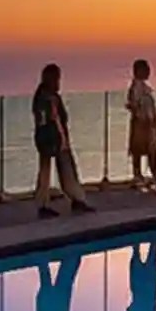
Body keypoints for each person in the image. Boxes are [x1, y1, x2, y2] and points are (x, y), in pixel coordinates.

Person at [33, 64, 96, 219]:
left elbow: (60, 117)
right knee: (47, 171)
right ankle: (44, 204)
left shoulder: (51, 97)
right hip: (49, 138)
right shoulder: (43, 98)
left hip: (58, 137)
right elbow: (43, 120)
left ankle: (75, 198)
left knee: (65, 168)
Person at [125, 60, 156, 194]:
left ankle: (148, 177)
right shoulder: (136, 88)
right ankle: (153, 178)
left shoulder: (142, 87)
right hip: (143, 125)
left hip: (147, 124)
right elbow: (135, 106)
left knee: (147, 151)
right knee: (148, 151)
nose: (149, 72)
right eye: (146, 69)